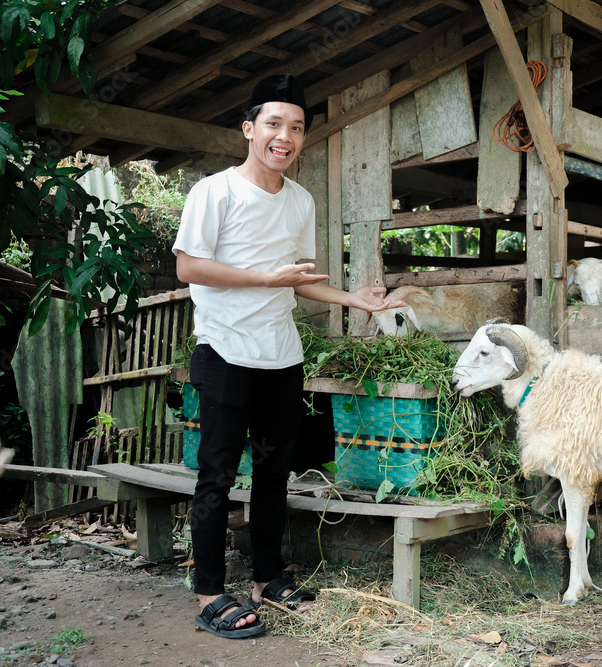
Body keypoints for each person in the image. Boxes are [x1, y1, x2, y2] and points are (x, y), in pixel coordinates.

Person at [172, 73, 403, 639]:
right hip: (224, 351)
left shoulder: (301, 200)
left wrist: (353, 298)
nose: (285, 136)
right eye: (274, 124)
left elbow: (296, 280)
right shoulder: (215, 191)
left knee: (276, 474)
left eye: (296, 128)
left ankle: (267, 580)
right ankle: (208, 592)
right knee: (217, 477)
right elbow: (189, 267)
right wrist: (262, 278)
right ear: (249, 129)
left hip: (281, 356)